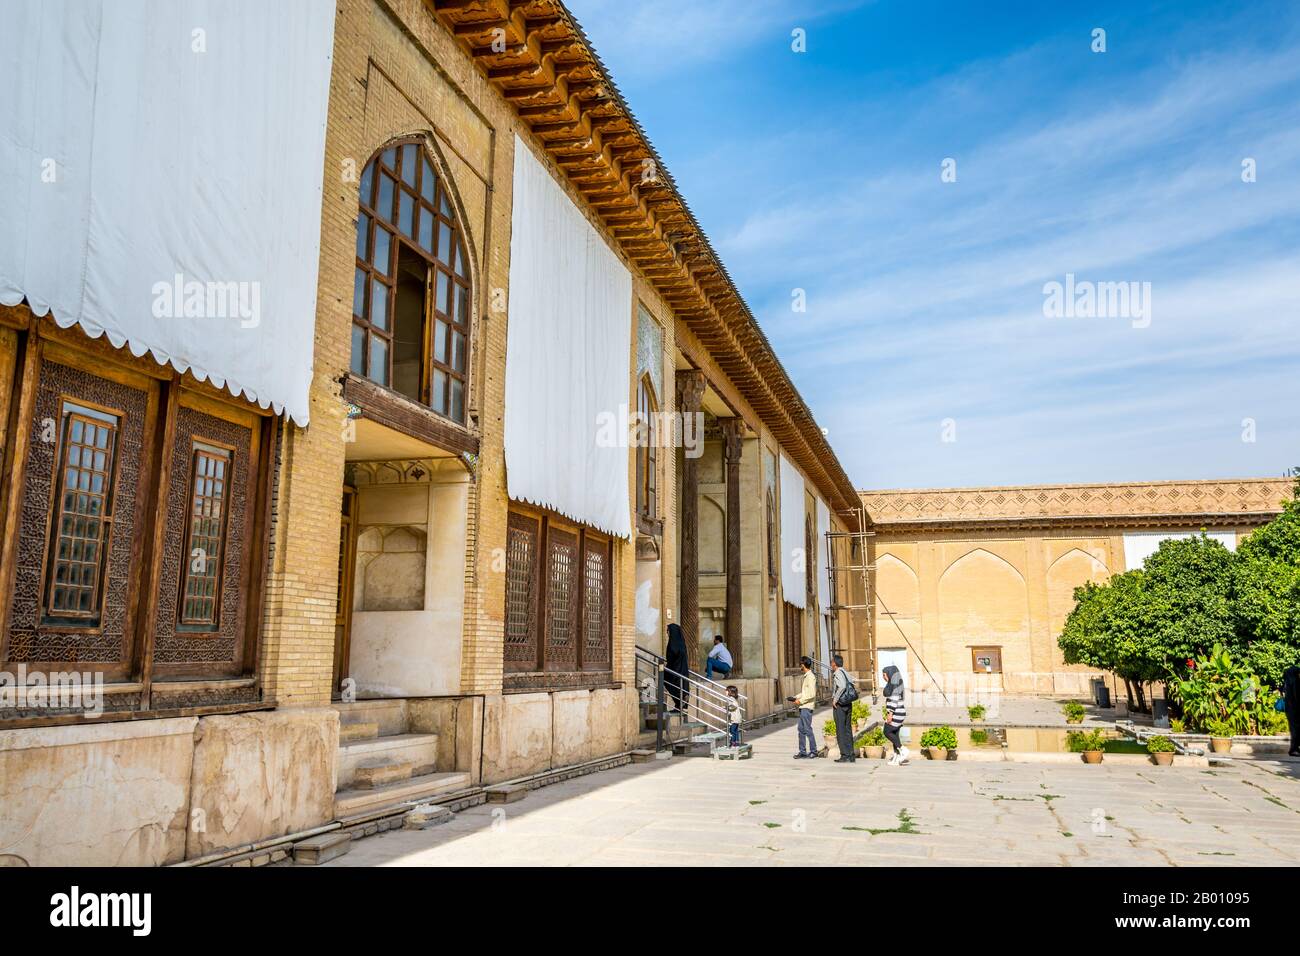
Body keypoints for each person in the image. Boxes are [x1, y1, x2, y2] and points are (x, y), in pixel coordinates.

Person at [787, 656, 820, 758]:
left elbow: (811, 694)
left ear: (803, 665)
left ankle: (814, 751)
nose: (800, 666)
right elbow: (805, 692)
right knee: (801, 729)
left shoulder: (810, 677)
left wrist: (799, 701)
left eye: (801, 664)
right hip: (803, 707)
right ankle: (802, 751)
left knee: (807, 729)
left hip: (807, 707)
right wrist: (795, 697)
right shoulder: (806, 676)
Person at [881, 664, 909, 765]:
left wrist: (890, 713)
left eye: (884, 675)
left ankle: (902, 749)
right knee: (895, 734)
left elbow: (894, 699)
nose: (883, 677)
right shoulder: (894, 683)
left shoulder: (895, 684)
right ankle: (897, 757)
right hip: (899, 712)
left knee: (887, 731)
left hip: (896, 712)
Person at [830, 654, 856, 763]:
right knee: (847, 729)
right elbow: (852, 681)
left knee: (840, 730)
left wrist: (835, 699)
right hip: (848, 703)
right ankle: (851, 754)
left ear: (835, 664)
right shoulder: (845, 672)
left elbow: (842, 686)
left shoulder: (837, 673)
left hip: (840, 705)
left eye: (831, 662)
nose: (831, 664)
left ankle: (844, 755)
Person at [664, 623, 690, 714]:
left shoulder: (673, 643)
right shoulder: (681, 642)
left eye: (668, 631)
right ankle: (680, 705)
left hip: (675, 669)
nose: (667, 633)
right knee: (681, 686)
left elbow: (671, 657)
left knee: (667, 680)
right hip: (683, 670)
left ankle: (680, 702)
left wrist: (667, 666)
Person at [1283, 664, 1300, 757]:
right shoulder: (1295, 682)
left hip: (1289, 709)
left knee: (1294, 729)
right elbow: (1297, 697)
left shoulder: (1286, 683)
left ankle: (1295, 748)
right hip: (1295, 710)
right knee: (1295, 730)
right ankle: (1294, 749)